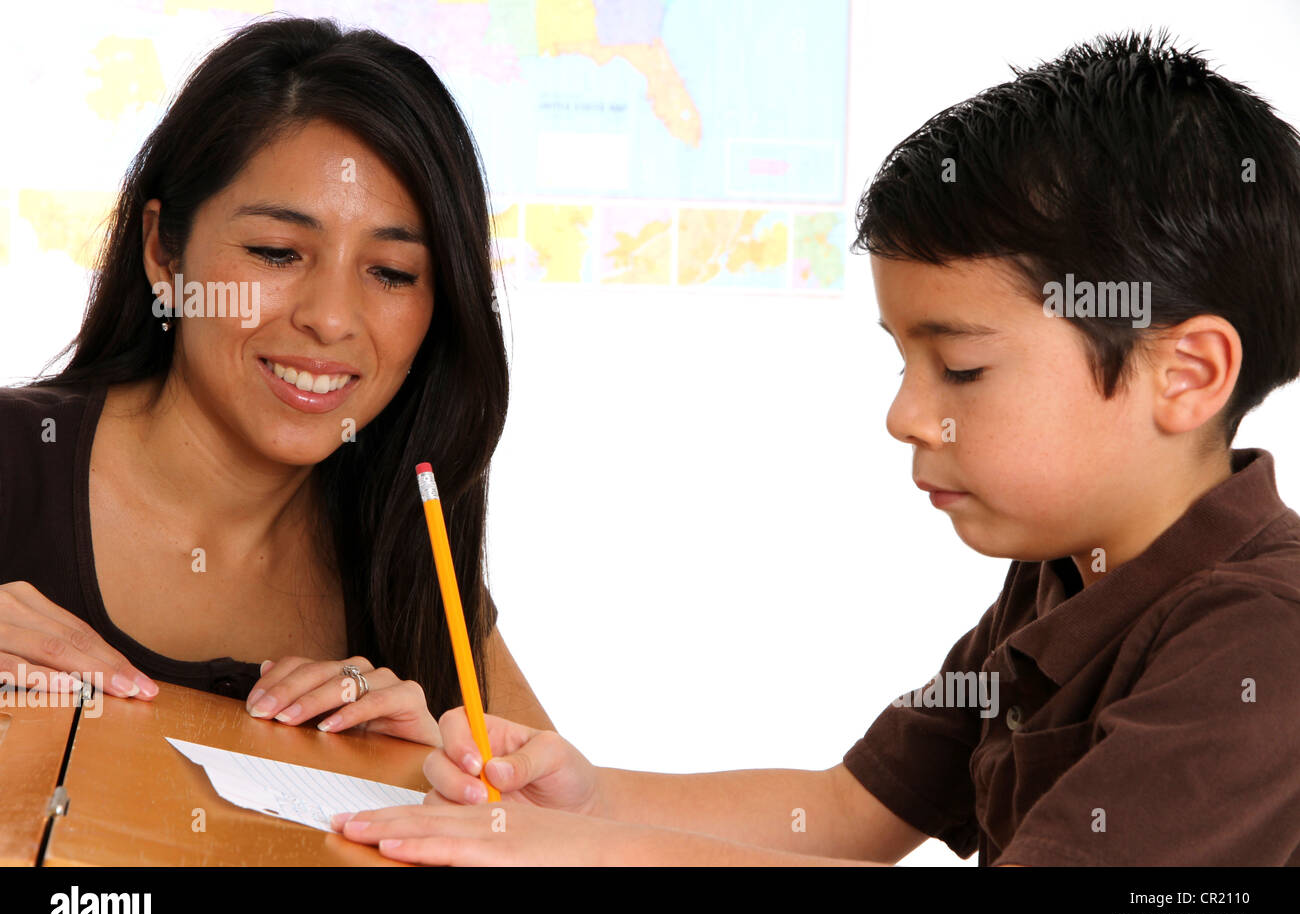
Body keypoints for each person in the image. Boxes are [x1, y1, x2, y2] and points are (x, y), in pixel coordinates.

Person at [334, 30, 1300, 864]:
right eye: (903, 361)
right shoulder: (1064, 579)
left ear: (1186, 373)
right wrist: (588, 801)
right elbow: (846, 812)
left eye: (960, 369)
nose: (907, 416)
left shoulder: (1264, 641)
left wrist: (595, 857)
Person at [0, 16, 552, 745]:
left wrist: (431, 779)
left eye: (391, 272)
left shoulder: (408, 556)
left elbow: (558, 819)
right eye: (276, 252)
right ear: (166, 254)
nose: (330, 320)